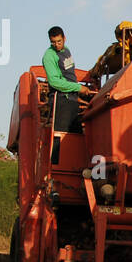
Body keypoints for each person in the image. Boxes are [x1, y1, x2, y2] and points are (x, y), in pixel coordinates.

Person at [43, 26, 86, 165]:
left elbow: (69, 76)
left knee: (76, 135)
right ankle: (55, 171)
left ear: (64, 38)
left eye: (59, 41)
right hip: (60, 100)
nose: (56, 44)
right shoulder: (49, 56)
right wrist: (78, 87)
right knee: (59, 137)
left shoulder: (67, 51)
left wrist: (76, 92)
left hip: (72, 100)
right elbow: (55, 82)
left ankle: (76, 166)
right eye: (53, 42)